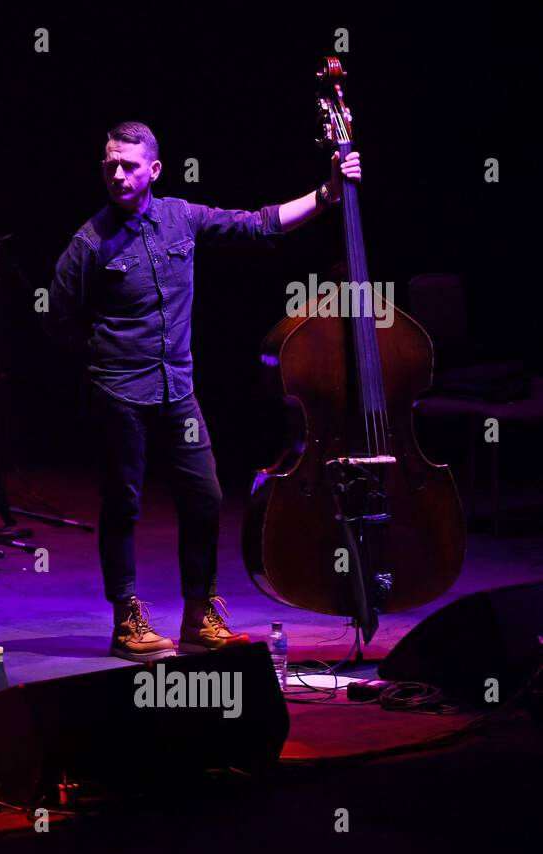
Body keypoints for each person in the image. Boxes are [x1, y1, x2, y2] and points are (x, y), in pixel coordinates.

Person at [45, 121, 361, 661]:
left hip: (178, 389)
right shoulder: (89, 242)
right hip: (119, 392)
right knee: (123, 504)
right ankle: (126, 619)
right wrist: (102, 360)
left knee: (207, 497)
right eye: (110, 165)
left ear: (154, 170)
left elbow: (258, 225)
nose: (118, 175)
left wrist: (327, 194)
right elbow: (57, 318)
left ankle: (199, 614)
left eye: (128, 165)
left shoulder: (181, 218)